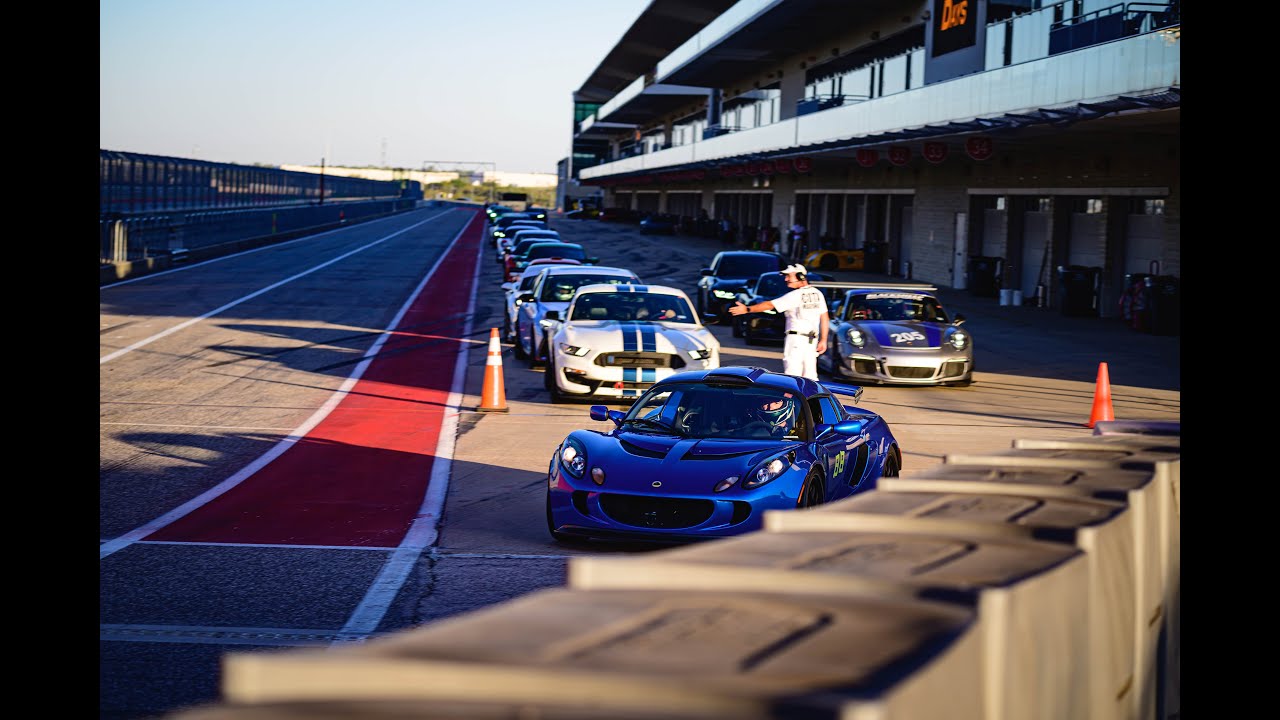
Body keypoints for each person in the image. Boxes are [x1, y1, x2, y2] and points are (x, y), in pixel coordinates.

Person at [728, 263, 828, 380]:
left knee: (792, 376)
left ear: (800, 276)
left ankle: (793, 398)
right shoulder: (818, 294)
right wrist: (823, 340)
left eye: (788, 276)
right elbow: (825, 317)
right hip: (812, 341)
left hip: (796, 340)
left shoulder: (795, 295)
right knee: (811, 376)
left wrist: (747, 309)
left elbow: (770, 305)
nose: (786, 279)